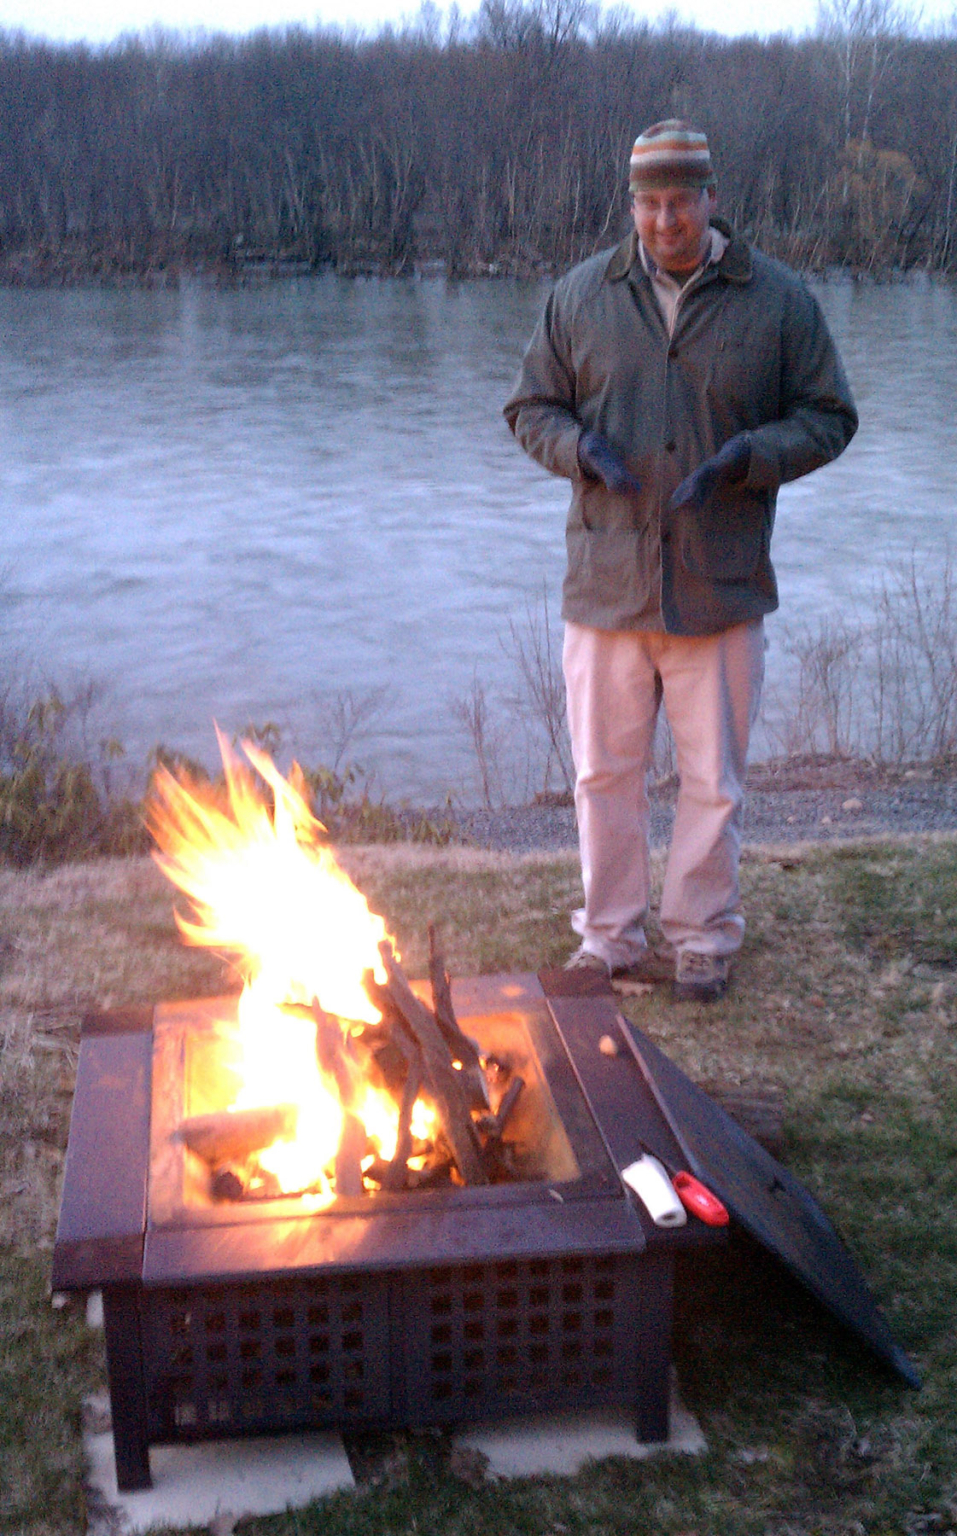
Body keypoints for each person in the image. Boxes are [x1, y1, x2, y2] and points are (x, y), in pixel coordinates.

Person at [504, 119, 858, 1002]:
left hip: (721, 584)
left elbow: (829, 416)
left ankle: (701, 937)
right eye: (649, 202)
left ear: (711, 198)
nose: (666, 220)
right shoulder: (580, 297)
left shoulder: (777, 301)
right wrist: (580, 449)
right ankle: (611, 937)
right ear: (632, 204)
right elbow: (527, 408)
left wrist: (750, 457)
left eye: (681, 201)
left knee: (713, 781)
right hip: (605, 585)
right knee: (602, 776)